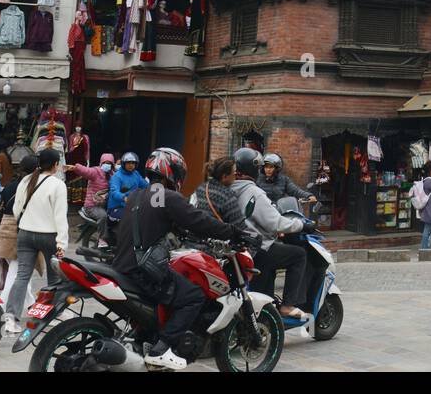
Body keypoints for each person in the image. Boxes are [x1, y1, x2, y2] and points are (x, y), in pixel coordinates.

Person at [114, 148, 245, 370]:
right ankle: (161, 349)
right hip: (143, 271)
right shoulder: (167, 196)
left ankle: (149, 337)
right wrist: (233, 231)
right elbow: (199, 221)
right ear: (172, 172)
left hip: (124, 266)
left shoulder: (138, 194)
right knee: (193, 295)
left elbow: (157, 220)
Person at [230, 147, 311, 319]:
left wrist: (307, 195)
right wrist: (301, 225)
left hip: (241, 246)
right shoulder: (254, 191)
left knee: (272, 259)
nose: (266, 169)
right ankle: (288, 306)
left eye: (270, 167)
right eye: (264, 166)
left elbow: (295, 192)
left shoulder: (229, 188)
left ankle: (267, 307)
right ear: (256, 168)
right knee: (299, 255)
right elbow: (275, 222)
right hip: (257, 245)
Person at [3, 147, 69, 334]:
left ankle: (11, 319)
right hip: (48, 236)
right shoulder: (57, 185)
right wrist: (62, 243)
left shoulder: (26, 180)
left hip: (25, 233)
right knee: (54, 277)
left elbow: (16, 209)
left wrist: (25, 223)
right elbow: (60, 217)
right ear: (56, 164)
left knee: (22, 276)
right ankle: (52, 314)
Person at [0, 153, 46, 307]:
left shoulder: (10, 186)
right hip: (21, 232)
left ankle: (31, 305)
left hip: (4, 231)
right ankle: (1, 307)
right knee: (17, 273)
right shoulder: (34, 187)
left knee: (22, 272)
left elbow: (1, 211)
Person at [69, 152, 116, 245]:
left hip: (104, 206)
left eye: (110, 163)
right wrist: (76, 167)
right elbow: (86, 171)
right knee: (104, 217)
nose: (107, 165)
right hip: (92, 206)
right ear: (101, 163)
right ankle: (103, 240)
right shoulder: (96, 172)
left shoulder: (113, 175)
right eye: (105, 163)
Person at [192, 157, 245, 226]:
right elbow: (239, 227)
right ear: (224, 177)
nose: (236, 176)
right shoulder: (228, 196)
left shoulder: (201, 187)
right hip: (216, 235)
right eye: (234, 173)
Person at [107, 151, 148, 225]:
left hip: (131, 206)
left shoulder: (136, 174)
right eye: (128, 163)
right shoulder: (117, 176)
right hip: (116, 208)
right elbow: (114, 192)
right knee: (132, 220)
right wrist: (124, 198)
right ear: (123, 163)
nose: (131, 165)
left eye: (133, 163)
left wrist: (155, 188)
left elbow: (145, 185)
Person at [417, 169, 431, 251]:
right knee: (428, 229)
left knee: (428, 228)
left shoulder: (424, 181)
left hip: (426, 208)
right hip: (430, 209)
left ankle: (425, 247)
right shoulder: (430, 181)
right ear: (430, 172)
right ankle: (424, 249)